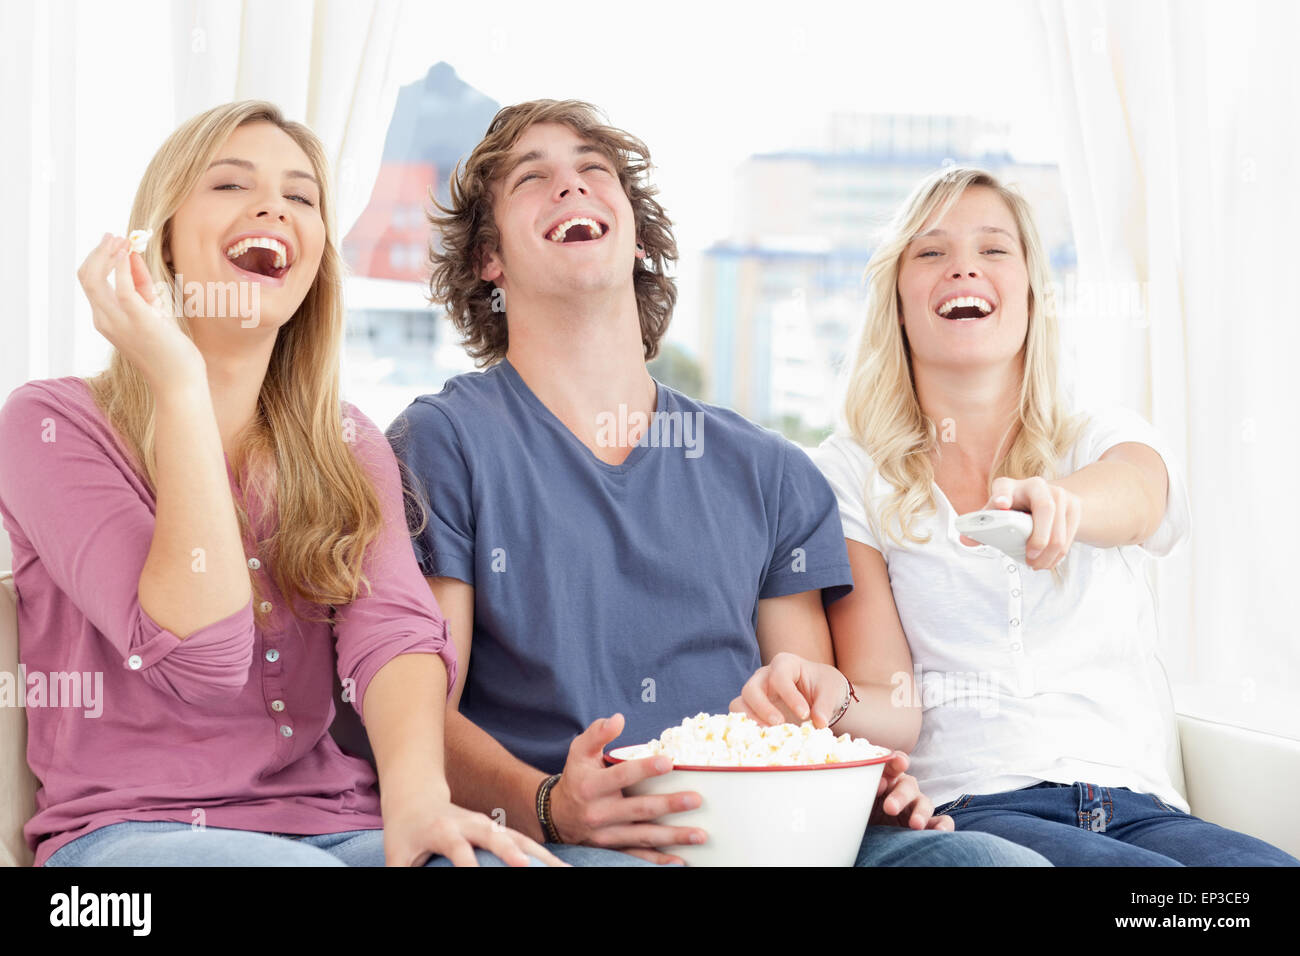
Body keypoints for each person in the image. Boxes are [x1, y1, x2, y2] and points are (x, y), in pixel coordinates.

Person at [387, 100, 1049, 867]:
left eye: (594, 172)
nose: (571, 188)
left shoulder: (769, 473)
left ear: (635, 234)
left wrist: (846, 778)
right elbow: (414, 712)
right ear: (487, 261)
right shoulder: (441, 445)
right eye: (533, 179)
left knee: (994, 864)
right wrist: (550, 807)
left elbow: (795, 713)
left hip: (771, 832)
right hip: (571, 844)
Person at [0, 100, 561, 867]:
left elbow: (394, 636)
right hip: (128, 835)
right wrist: (182, 384)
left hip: (338, 822)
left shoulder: (345, 441)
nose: (273, 206)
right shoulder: (49, 425)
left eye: (300, 197)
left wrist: (419, 799)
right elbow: (204, 662)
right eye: (230, 185)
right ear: (159, 240)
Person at [800, 165, 1298, 866]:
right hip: (977, 807)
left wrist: (1067, 503)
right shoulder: (852, 474)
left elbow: (1141, 494)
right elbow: (886, 697)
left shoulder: (1094, 434)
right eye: (932, 251)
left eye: (994, 249)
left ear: (1033, 293)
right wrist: (823, 704)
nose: (963, 268)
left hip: (1142, 807)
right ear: (898, 298)